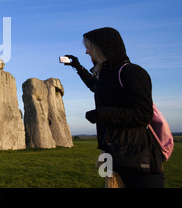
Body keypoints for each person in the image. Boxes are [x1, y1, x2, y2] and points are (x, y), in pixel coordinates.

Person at [64, 27, 164, 188]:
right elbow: (95, 86)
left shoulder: (132, 72)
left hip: (138, 155)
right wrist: (78, 67)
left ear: (102, 47)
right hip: (116, 152)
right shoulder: (108, 75)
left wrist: (102, 114)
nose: (87, 52)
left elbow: (143, 114)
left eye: (88, 47)